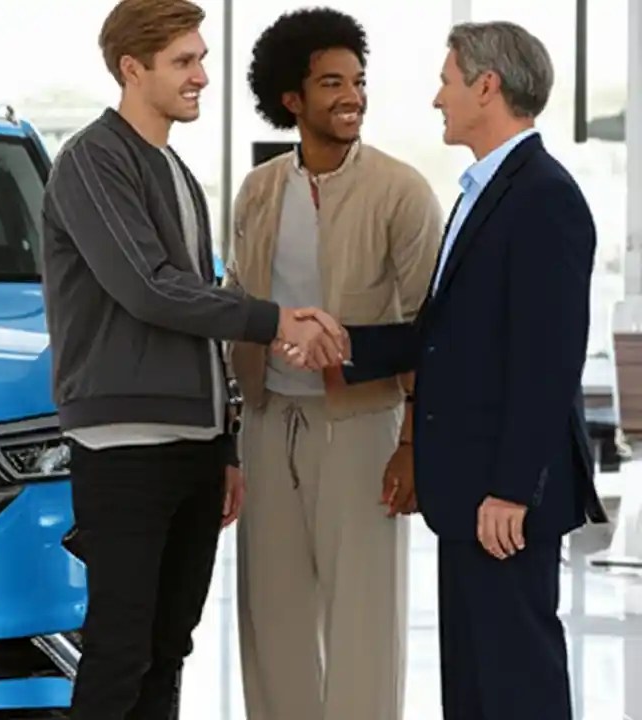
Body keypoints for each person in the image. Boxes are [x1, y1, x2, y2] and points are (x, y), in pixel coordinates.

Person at [39, 1, 348, 717]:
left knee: (169, 644)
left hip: (190, 446)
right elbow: (150, 290)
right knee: (120, 647)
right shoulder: (92, 161)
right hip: (124, 449)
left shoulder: (172, 168)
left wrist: (225, 442)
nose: (203, 76)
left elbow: (197, 305)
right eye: (184, 62)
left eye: (202, 59)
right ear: (131, 68)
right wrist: (274, 322)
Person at [335, 20, 609, 720]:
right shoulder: (485, 190)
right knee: (475, 682)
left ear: (487, 86)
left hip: (503, 497)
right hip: (469, 491)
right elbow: (445, 337)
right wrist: (341, 347)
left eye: (447, 81)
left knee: (517, 682)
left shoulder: (543, 196)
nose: (437, 98)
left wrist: (513, 489)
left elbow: (548, 359)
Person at [222, 9, 444, 720]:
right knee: (272, 618)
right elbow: (235, 311)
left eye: (357, 80)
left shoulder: (400, 191)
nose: (351, 95)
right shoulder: (258, 192)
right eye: (330, 82)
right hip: (267, 424)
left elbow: (430, 330)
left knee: (363, 624)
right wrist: (230, 438)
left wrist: (411, 443)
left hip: (362, 427)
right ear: (292, 99)